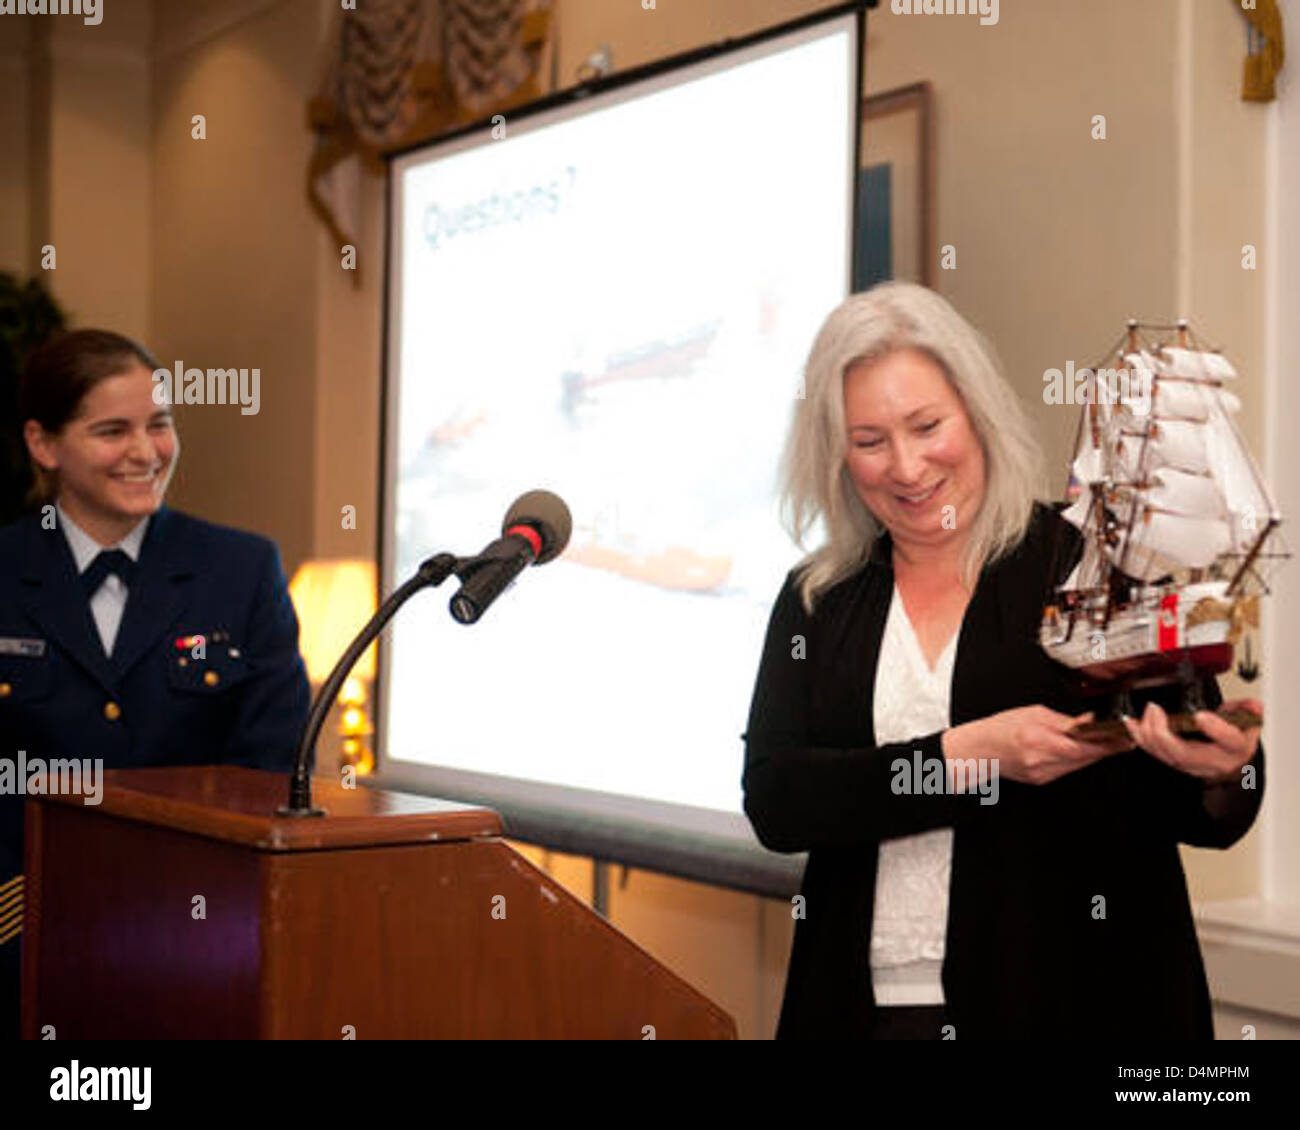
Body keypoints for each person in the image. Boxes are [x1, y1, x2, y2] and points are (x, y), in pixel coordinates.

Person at [742, 283, 1264, 1040]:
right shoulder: (820, 599)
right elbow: (779, 801)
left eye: (927, 426)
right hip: (864, 1013)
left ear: (976, 412)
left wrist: (1222, 769)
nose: (907, 466)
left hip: (1066, 1006)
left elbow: (1200, 810)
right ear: (835, 450)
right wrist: (962, 758)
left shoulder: (1095, 566)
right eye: (869, 441)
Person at [0, 329, 311, 1037]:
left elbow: (270, 767)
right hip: (22, 936)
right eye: (113, 430)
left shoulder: (240, 569)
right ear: (44, 445)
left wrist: (187, 924)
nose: (145, 452)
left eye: (160, 425)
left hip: (209, 944)